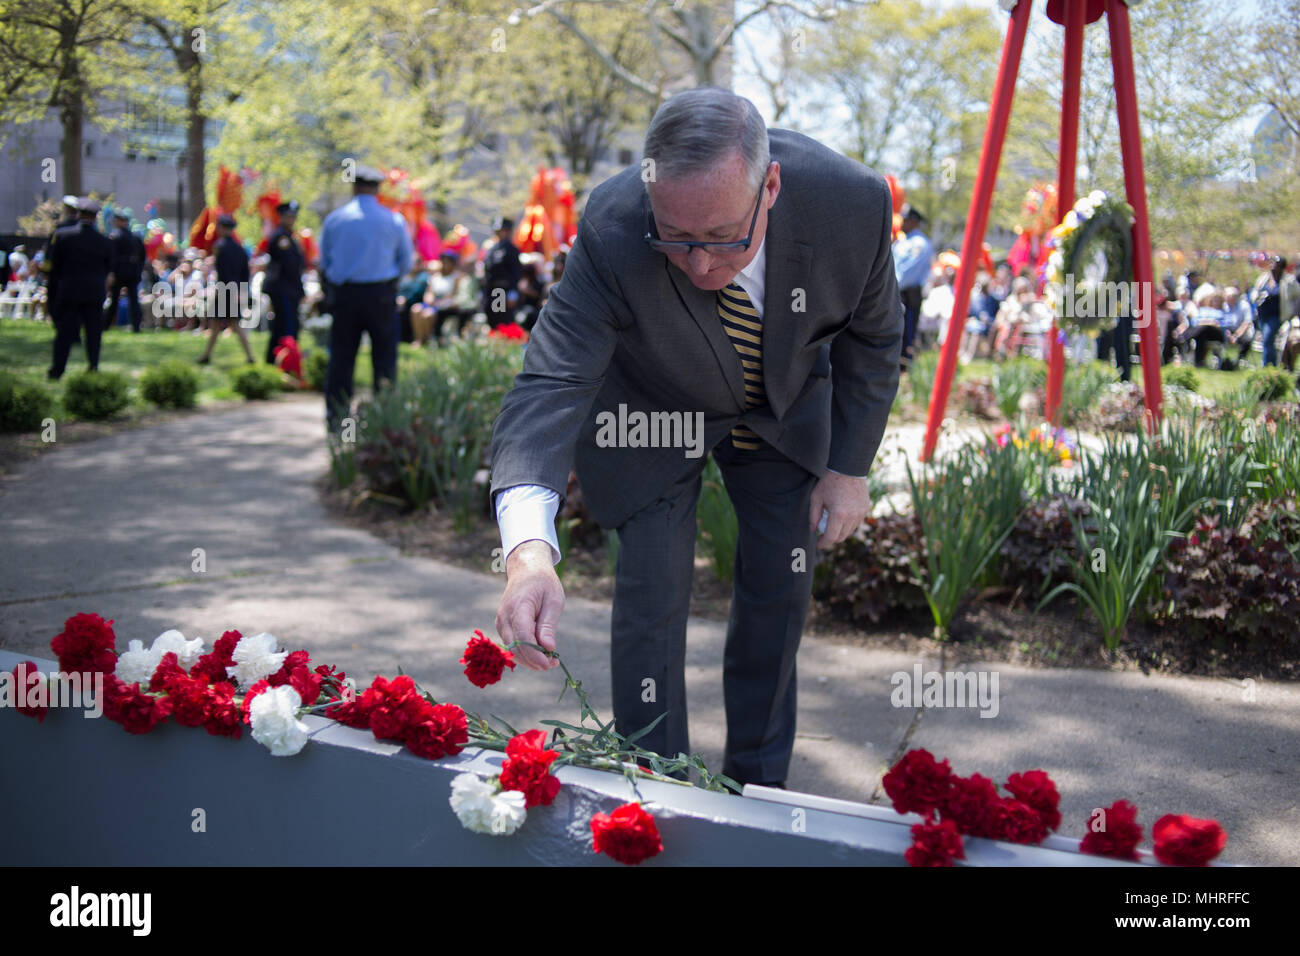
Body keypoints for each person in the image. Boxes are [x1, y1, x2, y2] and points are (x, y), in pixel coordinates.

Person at [488, 88, 901, 790]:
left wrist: (848, 467)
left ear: (770, 186)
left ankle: (759, 788)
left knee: (780, 592)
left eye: (722, 238)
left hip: (782, 412)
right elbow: (551, 382)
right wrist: (527, 552)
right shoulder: (616, 223)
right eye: (675, 239)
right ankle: (655, 790)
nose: (702, 267)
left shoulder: (851, 203)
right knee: (651, 598)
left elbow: (875, 336)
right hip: (651, 413)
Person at [318, 163, 413, 428]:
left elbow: (324, 261)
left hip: (346, 294)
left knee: (341, 357)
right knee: (384, 357)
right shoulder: (393, 219)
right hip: (380, 294)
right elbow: (406, 261)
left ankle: (337, 419)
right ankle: (384, 419)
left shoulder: (335, 219)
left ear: (354, 186)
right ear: (377, 189)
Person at [47, 198, 113, 380]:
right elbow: (108, 268)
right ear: (95, 217)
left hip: (69, 290)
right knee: (93, 333)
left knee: (64, 334)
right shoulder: (104, 241)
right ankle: (93, 366)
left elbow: (55, 266)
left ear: (78, 214)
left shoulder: (63, 236)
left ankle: (57, 370)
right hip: (94, 292)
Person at [197, 214, 256, 364]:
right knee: (219, 324)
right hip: (236, 289)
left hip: (224, 289)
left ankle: (249, 356)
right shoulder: (240, 249)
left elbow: (222, 271)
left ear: (222, 228)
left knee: (230, 324)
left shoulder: (219, 247)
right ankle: (207, 355)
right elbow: (245, 273)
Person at [263, 200, 306, 363]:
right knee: (287, 327)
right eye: (289, 217)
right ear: (281, 217)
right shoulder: (281, 237)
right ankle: (287, 361)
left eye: (294, 217)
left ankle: (277, 360)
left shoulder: (288, 236)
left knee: (283, 326)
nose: (292, 220)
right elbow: (290, 266)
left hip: (288, 289)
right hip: (284, 289)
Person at [892, 203, 933, 371]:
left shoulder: (920, 243)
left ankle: (902, 366)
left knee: (905, 331)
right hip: (896, 291)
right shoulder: (903, 241)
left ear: (914, 222)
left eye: (906, 219)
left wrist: (891, 286)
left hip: (907, 294)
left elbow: (908, 273)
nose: (902, 222)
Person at [1251, 256, 1299, 367]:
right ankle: (1269, 363)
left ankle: (1268, 366)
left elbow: (1297, 294)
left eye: (1276, 265)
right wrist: (1256, 298)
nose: (1273, 267)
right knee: (1266, 340)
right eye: (1272, 264)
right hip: (1262, 314)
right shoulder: (1264, 278)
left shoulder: (1288, 281)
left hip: (1277, 315)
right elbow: (1255, 291)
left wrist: (1293, 310)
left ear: (1281, 267)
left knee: (1268, 338)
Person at [105, 210, 146, 333]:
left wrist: (111, 272)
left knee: (115, 299)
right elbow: (142, 257)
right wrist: (138, 270)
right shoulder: (135, 238)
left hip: (119, 271)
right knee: (134, 300)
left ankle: (106, 325)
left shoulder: (114, 237)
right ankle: (136, 326)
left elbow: (111, 256)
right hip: (132, 271)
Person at [481, 216, 522, 329]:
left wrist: (513, 292)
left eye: (502, 230)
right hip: (490, 289)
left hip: (501, 290)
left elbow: (516, 272)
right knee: (491, 318)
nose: (499, 233)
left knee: (501, 321)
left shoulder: (511, 249)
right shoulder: (492, 248)